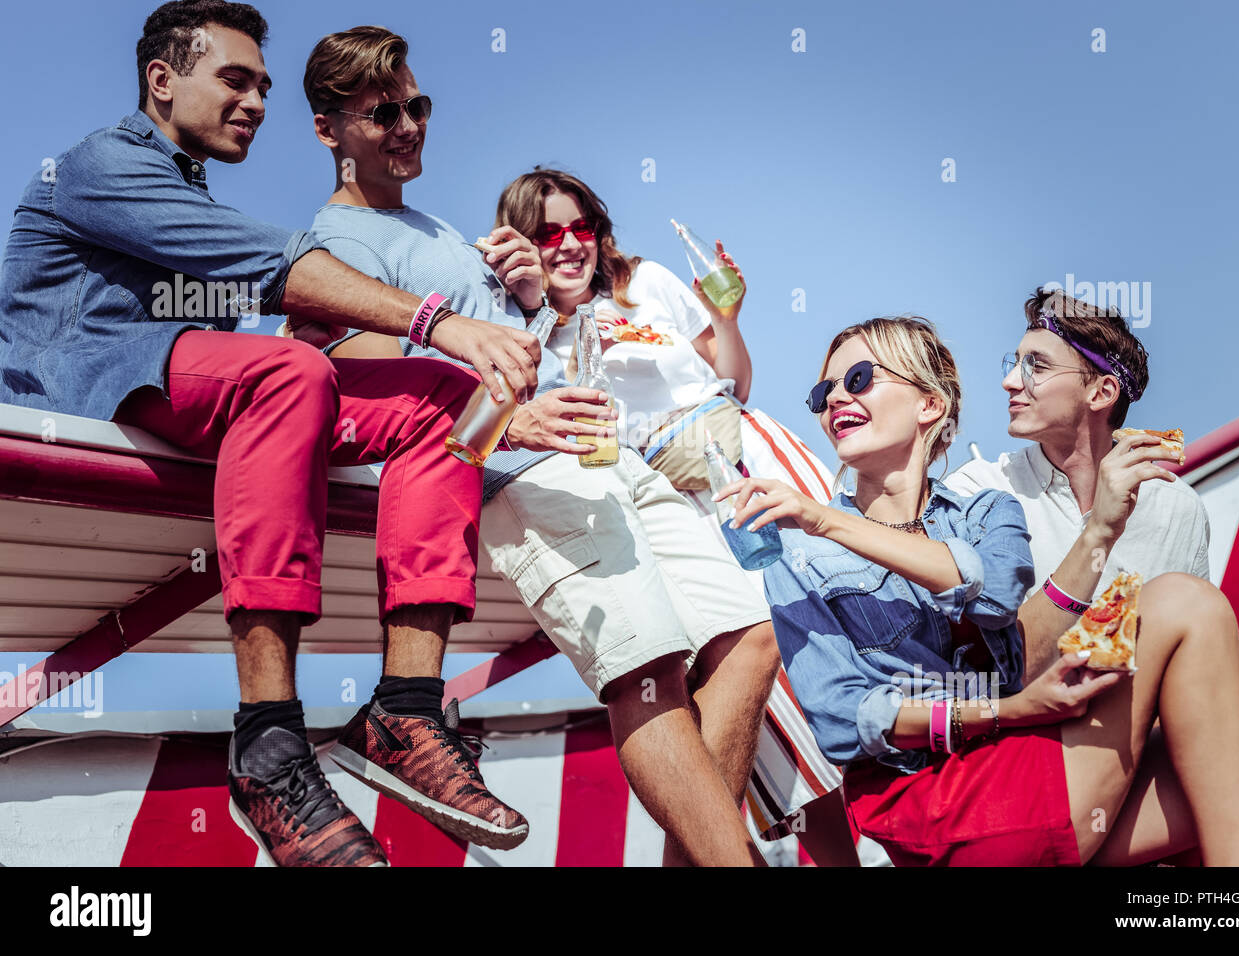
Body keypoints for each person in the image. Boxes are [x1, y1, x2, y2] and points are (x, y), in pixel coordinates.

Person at [0, 0, 545, 866]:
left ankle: (405, 708)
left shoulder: (182, 189)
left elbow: (257, 307)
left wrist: (502, 323)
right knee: (293, 374)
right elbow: (275, 268)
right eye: (234, 80)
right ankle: (268, 742)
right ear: (161, 80)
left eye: (261, 85)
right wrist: (439, 319)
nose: (256, 101)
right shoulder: (100, 166)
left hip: (181, 385)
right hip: (88, 386)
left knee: (441, 403)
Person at [301, 25, 782, 866]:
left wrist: (524, 301)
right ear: (327, 130)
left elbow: (512, 350)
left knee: (750, 642)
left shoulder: (434, 228)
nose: (409, 124)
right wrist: (507, 423)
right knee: (648, 673)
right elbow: (363, 390)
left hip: (606, 454)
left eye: (417, 104)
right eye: (383, 113)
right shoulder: (341, 243)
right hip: (522, 473)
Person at [722, 315, 1239, 865]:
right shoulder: (798, 552)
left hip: (1046, 769)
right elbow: (845, 720)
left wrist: (826, 519)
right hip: (944, 801)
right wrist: (1009, 710)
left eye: (858, 380)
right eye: (823, 394)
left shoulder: (986, 511)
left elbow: (993, 594)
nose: (836, 400)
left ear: (929, 404)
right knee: (1183, 601)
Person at [491, 169, 854, 861]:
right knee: (770, 696)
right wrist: (538, 307)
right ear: (522, 245)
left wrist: (727, 317)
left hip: (745, 455)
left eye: (581, 227)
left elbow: (733, 381)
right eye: (548, 233)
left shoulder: (645, 282)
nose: (570, 245)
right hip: (668, 496)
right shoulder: (523, 326)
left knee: (830, 640)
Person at [944, 289, 1239, 687]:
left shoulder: (1176, 506)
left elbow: (1190, 680)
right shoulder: (977, 490)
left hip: (1147, 742)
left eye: (1035, 367)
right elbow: (993, 676)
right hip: (1026, 740)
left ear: (1102, 393)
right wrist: (1100, 530)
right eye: (1016, 363)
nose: (1008, 382)